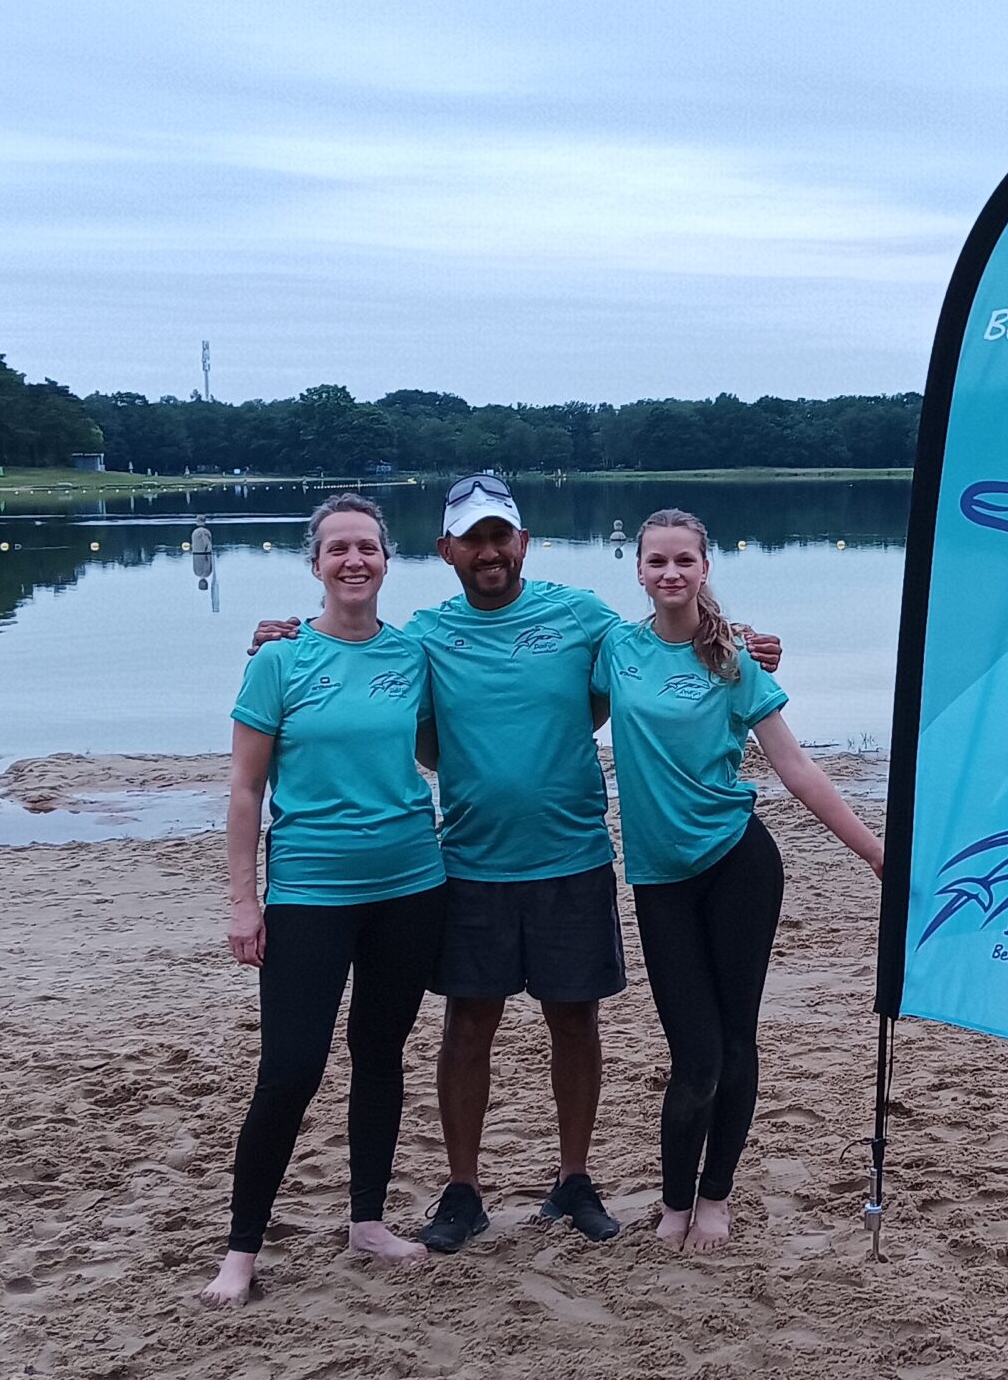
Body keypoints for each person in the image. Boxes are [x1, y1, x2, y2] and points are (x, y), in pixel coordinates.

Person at [248, 473, 779, 1251]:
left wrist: (747, 642)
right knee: (468, 1024)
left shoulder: (582, 617)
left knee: (575, 1020)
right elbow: (365, 665)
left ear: (523, 541)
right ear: (446, 550)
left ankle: (574, 1178)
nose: (489, 550)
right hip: (470, 857)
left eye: (501, 535)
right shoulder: (424, 635)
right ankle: (463, 1189)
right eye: (473, 539)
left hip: (573, 852)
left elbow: (667, 638)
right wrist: (285, 634)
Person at [591, 508, 882, 1253]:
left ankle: (714, 1197)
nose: (670, 573)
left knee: (734, 1041)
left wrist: (875, 854)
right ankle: (673, 1203)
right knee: (694, 1057)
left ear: (705, 566)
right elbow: (546, 698)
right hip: (659, 879)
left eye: (683, 560)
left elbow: (797, 767)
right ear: (638, 569)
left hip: (738, 866)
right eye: (657, 561)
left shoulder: (733, 660)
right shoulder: (616, 649)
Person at [200, 493, 448, 1308]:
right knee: (290, 1069)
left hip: (410, 886)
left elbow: (450, 739)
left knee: (379, 1053)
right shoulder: (278, 660)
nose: (354, 560)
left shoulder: (412, 655)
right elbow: (245, 790)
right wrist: (244, 902)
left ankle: (367, 1221)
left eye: (367, 547)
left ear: (386, 560)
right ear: (315, 564)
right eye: (337, 548)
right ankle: (241, 1251)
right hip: (309, 891)